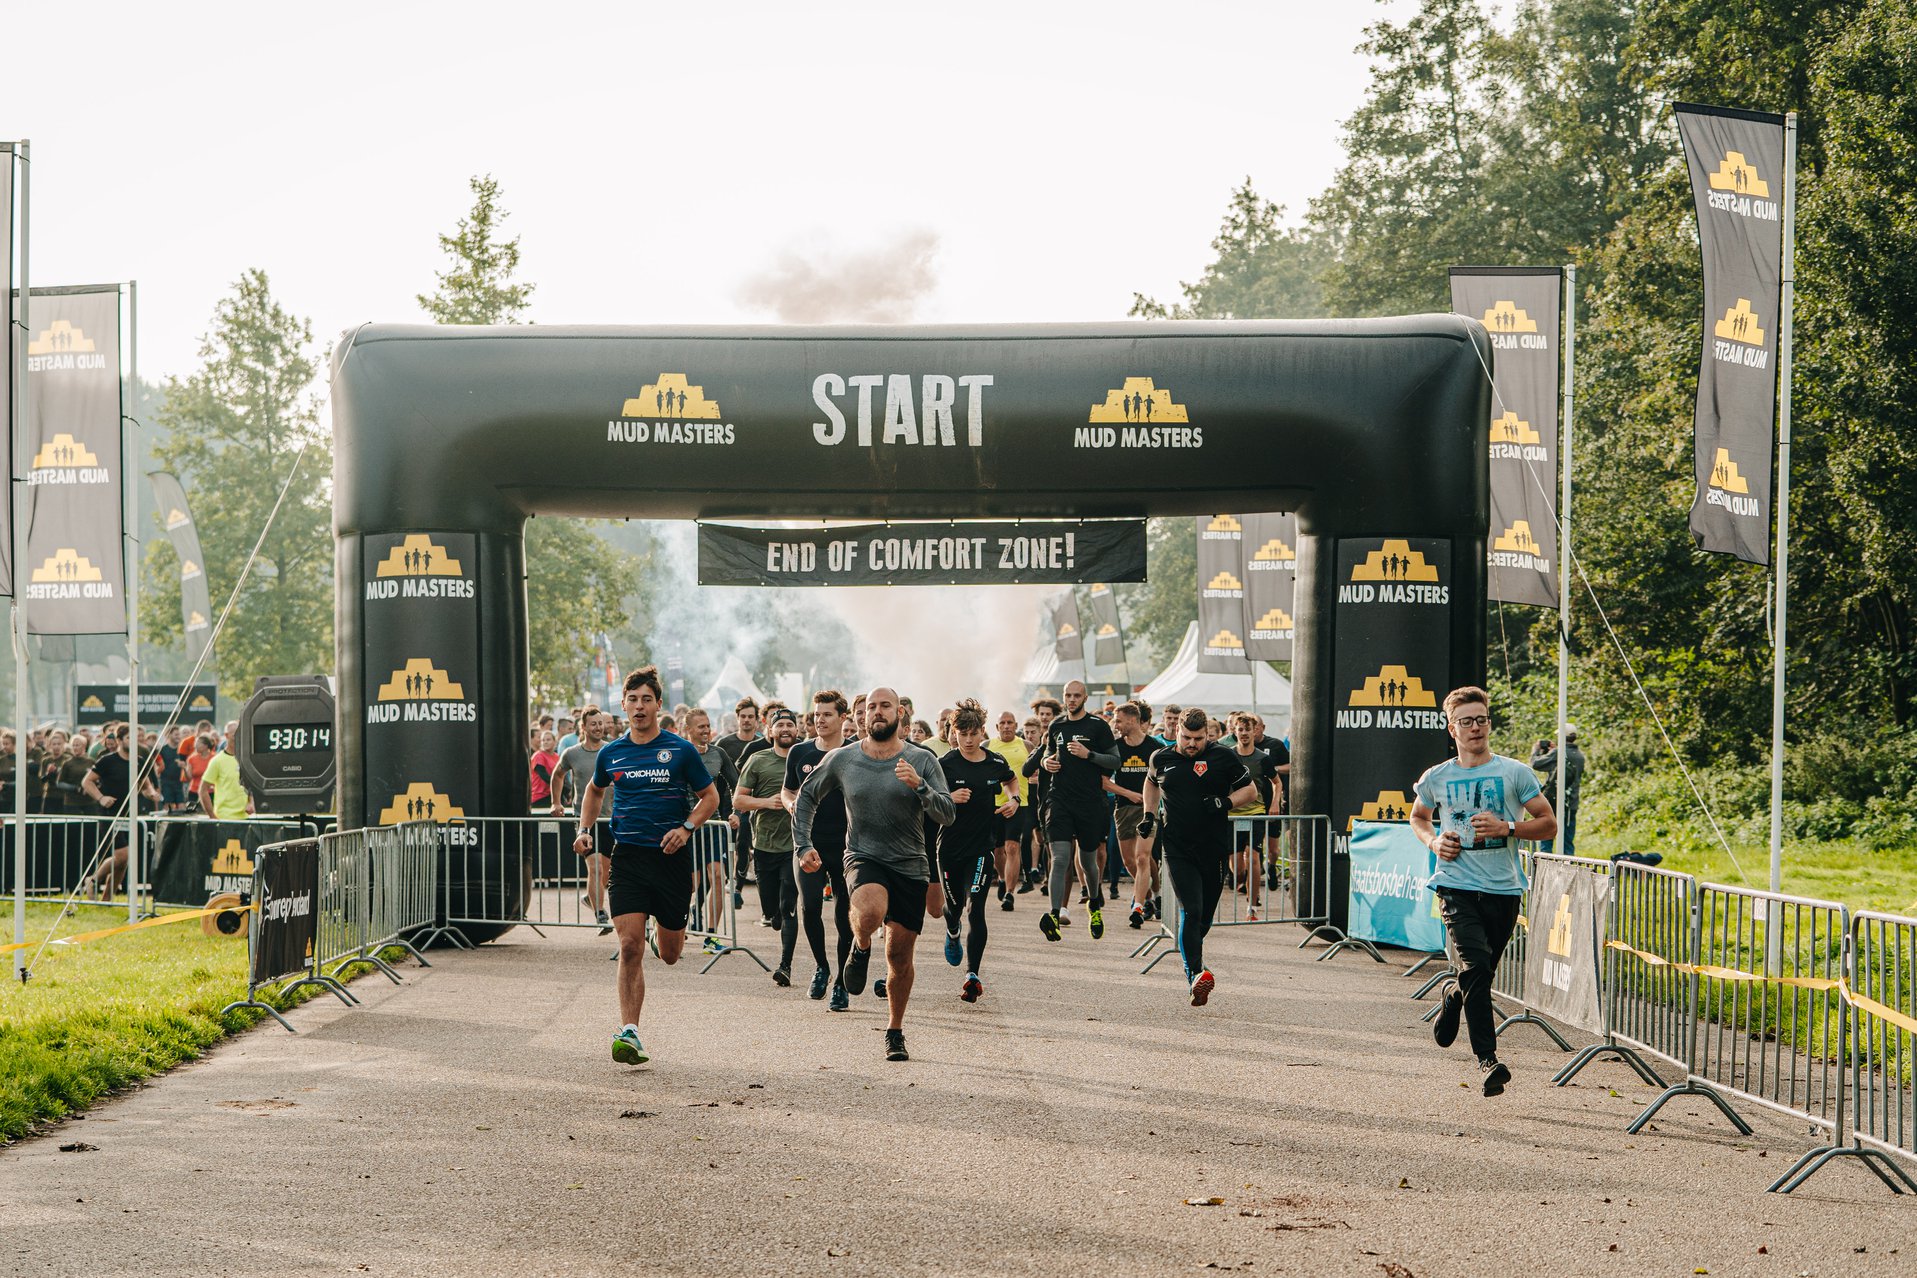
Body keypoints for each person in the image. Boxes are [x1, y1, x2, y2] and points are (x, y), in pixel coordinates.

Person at [1409, 686, 1557, 1098]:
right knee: (1476, 966)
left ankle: (1452, 994)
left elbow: (1548, 824)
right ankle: (1488, 1061)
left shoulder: (1515, 773)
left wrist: (1508, 827)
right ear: (1451, 728)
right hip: (1455, 886)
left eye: (1482, 719)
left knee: (1480, 973)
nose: (1476, 728)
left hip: (1504, 889)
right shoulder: (1437, 777)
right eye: (1466, 721)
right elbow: (1418, 817)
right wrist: (1434, 842)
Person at [793, 686, 954, 1062]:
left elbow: (947, 813)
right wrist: (803, 845)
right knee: (869, 912)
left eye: (886, 706)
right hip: (863, 856)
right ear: (862, 715)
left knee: (899, 957)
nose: (877, 713)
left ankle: (895, 1029)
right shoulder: (843, 758)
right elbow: (806, 796)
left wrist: (922, 787)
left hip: (911, 865)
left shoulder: (923, 759)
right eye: (871, 708)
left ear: (900, 714)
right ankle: (861, 943)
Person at [573, 665, 720, 1067]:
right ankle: (630, 1032)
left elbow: (710, 797)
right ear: (623, 705)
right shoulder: (612, 752)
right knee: (628, 946)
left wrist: (687, 827)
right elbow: (594, 789)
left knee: (670, 954)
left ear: (658, 705)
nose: (639, 707)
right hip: (629, 859)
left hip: (671, 860)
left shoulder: (680, 750)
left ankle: (663, 937)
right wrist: (585, 829)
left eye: (647, 700)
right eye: (632, 700)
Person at [1141, 708, 1258, 1006]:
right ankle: (1195, 973)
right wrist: (1148, 815)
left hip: (1214, 848)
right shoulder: (1161, 758)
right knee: (1191, 911)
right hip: (1178, 848)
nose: (1192, 744)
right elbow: (1151, 783)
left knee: (1203, 919)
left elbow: (1251, 791)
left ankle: (1195, 968)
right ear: (1177, 731)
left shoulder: (1224, 757)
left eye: (1198, 738)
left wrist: (1226, 801)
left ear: (1208, 734)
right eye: (1186, 738)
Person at [935, 700, 1019, 1002]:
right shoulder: (944, 764)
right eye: (962, 733)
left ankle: (972, 974)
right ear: (952, 733)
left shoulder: (994, 762)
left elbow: (1010, 781)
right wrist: (949, 796)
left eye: (973, 733)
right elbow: (926, 800)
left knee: (976, 907)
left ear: (983, 732)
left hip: (982, 848)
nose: (968, 740)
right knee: (955, 908)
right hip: (949, 849)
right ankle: (952, 929)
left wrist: (1015, 800)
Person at [783, 690, 854, 1007]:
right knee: (810, 907)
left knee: (844, 916)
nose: (820, 720)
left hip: (847, 845)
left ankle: (841, 982)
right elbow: (787, 790)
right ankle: (822, 967)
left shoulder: (855, 752)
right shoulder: (799, 752)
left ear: (842, 718)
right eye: (816, 714)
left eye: (827, 714)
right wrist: (791, 804)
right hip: (808, 843)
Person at [1037, 680, 1120, 942]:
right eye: (1067, 696)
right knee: (1060, 859)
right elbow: (1048, 753)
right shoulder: (1057, 725)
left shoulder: (1098, 726)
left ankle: (1094, 903)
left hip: (1090, 803)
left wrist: (1089, 755)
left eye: (1076, 696)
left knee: (1087, 863)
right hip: (1059, 800)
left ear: (1084, 698)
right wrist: (1046, 762)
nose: (1071, 700)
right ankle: (1053, 915)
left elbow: (1115, 760)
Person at [735, 708, 802, 986]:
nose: (785, 729)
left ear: (797, 730)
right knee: (771, 908)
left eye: (790, 724)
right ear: (771, 731)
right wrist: (767, 802)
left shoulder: (805, 758)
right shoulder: (758, 760)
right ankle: (772, 914)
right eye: (780, 725)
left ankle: (785, 965)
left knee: (789, 905)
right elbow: (738, 801)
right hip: (763, 845)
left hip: (795, 845)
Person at [81, 724, 161, 900]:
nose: (133, 742)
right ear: (119, 740)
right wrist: (101, 798)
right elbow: (87, 782)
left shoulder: (139, 761)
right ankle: (92, 880)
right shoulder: (107, 761)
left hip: (129, 814)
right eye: (128, 738)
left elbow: (145, 786)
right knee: (123, 855)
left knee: (123, 861)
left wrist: (152, 794)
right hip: (108, 813)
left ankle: (107, 899)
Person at [683, 708, 741, 942]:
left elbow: (737, 783)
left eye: (707, 726)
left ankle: (712, 935)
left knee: (718, 876)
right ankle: (677, 927)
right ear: (688, 730)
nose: (706, 730)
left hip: (713, 824)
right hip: (685, 826)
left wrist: (736, 811)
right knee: (691, 883)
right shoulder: (680, 753)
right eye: (701, 727)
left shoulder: (718, 753)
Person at [1104, 702, 1164, 929]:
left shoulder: (1154, 747)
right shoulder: (1115, 747)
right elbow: (1104, 781)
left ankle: (1138, 906)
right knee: (1131, 861)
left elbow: (1164, 779)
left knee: (1142, 857)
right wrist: (1129, 793)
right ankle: (1152, 896)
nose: (1116, 725)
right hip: (1123, 808)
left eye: (1119, 720)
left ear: (1132, 720)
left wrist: (1151, 801)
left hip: (1148, 810)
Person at [553, 707, 613, 930]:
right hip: (584, 819)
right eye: (594, 724)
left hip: (610, 817)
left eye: (601, 723)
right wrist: (556, 802)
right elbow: (557, 775)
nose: (599, 728)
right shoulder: (572, 753)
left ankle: (590, 898)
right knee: (595, 867)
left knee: (604, 871)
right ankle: (600, 915)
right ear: (584, 727)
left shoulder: (611, 750)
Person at [717, 698, 762, 901]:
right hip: (730, 802)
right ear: (737, 718)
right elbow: (716, 776)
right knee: (734, 843)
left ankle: (738, 884)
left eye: (750, 717)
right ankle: (733, 883)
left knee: (747, 843)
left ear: (757, 719)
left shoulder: (762, 743)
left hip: (757, 802)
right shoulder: (724, 744)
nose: (746, 720)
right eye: (743, 716)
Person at [985, 710, 1030, 911]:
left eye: (1010, 722)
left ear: (1015, 725)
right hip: (994, 802)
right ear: (996, 727)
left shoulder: (1025, 745)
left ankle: (1010, 893)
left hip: (1020, 802)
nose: (1006, 726)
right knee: (997, 849)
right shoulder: (988, 746)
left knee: (1012, 847)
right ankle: (1002, 878)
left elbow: (1037, 767)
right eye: (1002, 723)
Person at [1530, 726, 1585, 858]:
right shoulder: (1580, 756)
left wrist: (1536, 750)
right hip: (1571, 803)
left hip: (1554, 802)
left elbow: (1536, 764)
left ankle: (1545, 872)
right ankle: (1568, 871)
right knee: (1567, 843)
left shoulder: (1558, 753)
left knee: (1546, 838)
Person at [200, 731, 250, 820]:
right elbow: (203, 790)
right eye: (234, 735)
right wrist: (212, 816)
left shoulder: (246, 760)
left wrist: (251, 802)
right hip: (224, 817)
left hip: (245, 818)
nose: (238, 738)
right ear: (226, 736)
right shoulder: (217, 761)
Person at [529, 730, 561, 808]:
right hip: (540, 795)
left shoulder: (557, 756)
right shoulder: (538, 755)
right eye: (543, 740)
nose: (545, 742)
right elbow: (543, 775)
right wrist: (562, 787)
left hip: (553, 794)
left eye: (548, 740)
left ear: (554, 741)